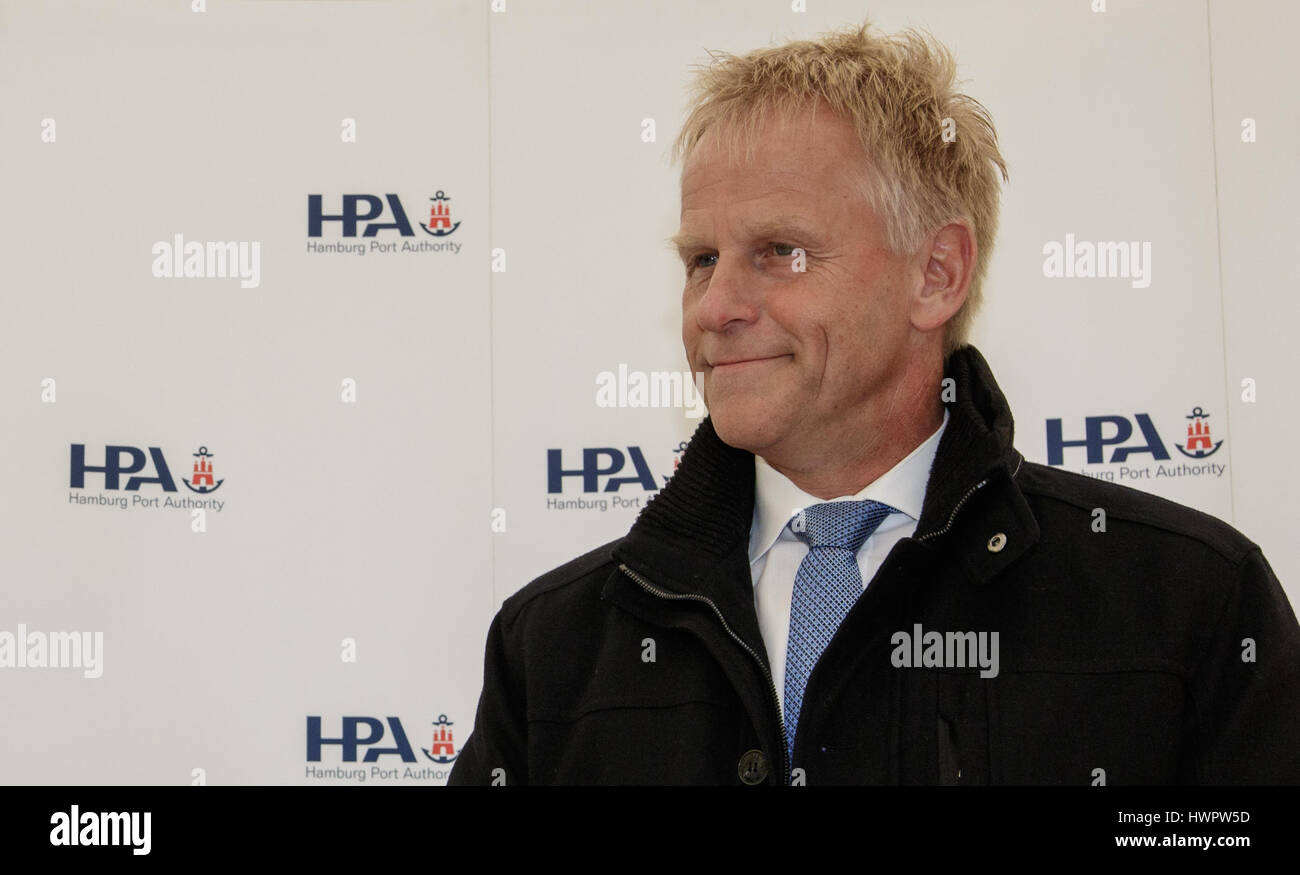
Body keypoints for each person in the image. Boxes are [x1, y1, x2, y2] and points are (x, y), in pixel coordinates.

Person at [448, 19, 1300, 786]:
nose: (714, 307)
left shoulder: (1188, 608)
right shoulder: (553, 650)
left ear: (936, 274)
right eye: (701, 259)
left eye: (779, 251)